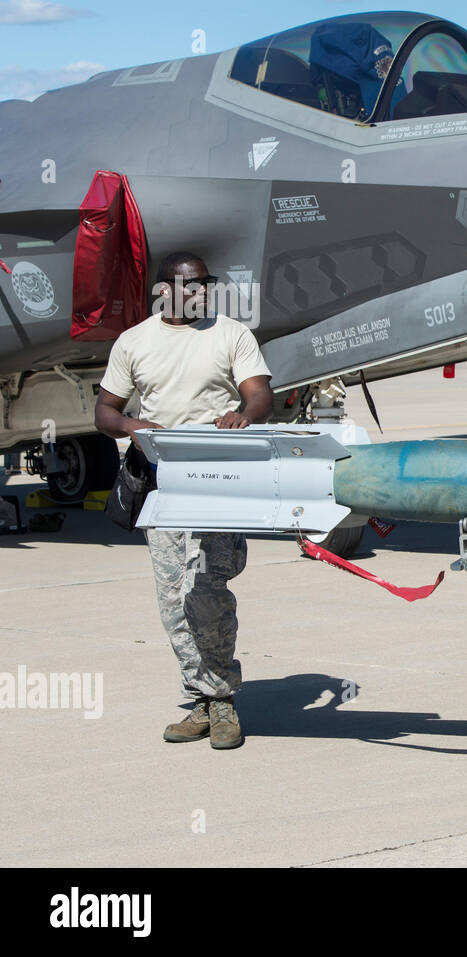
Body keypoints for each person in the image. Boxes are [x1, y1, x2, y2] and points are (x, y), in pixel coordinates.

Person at [94, 252, 272, 750]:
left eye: (206, 284)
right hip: (163, 487)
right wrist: (130, 425)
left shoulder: (231, 334)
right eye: (190, 285)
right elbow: (105, 410)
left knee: (208, 590)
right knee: (173, 600)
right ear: (164, 290)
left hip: (216, 484)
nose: (201, 292)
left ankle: (222, 699)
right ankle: (201, 698)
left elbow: (260, 394)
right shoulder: (135, 341)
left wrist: (244, 414)